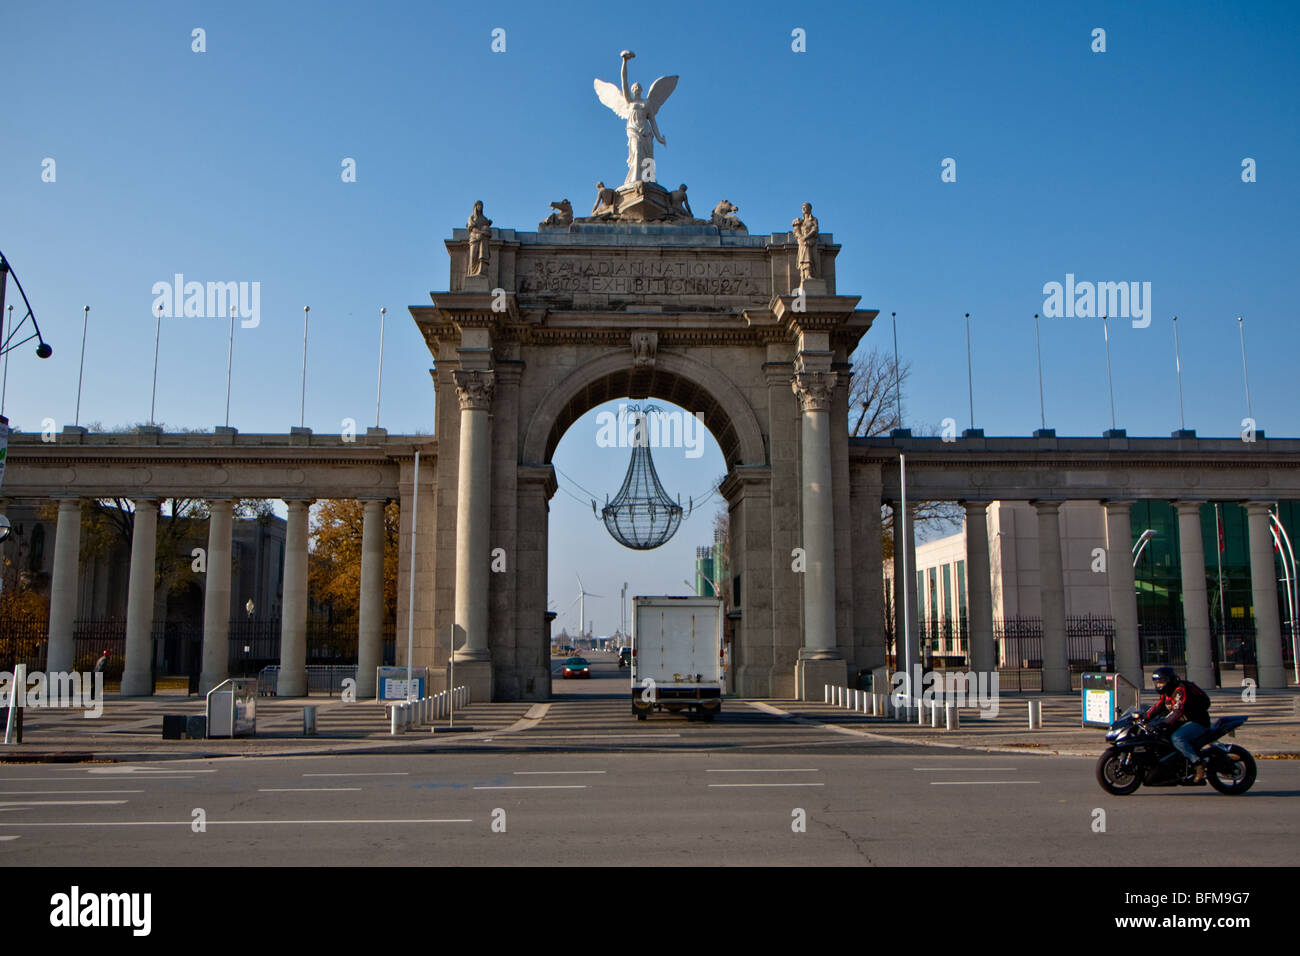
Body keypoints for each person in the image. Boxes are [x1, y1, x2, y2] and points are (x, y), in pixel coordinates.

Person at [1144, 666, 1212, 782]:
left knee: (1177, 738)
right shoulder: (1167, 692)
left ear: (1169, 680)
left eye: (1161, 682)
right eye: (1157, 683)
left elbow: (1177, 710)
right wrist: (1143, 717)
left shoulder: (1180, 690)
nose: (1159, 685)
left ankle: (1198, 763)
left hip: (1198, 722)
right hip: (1183, 721)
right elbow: (1159, 706)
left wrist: (1163, 723)